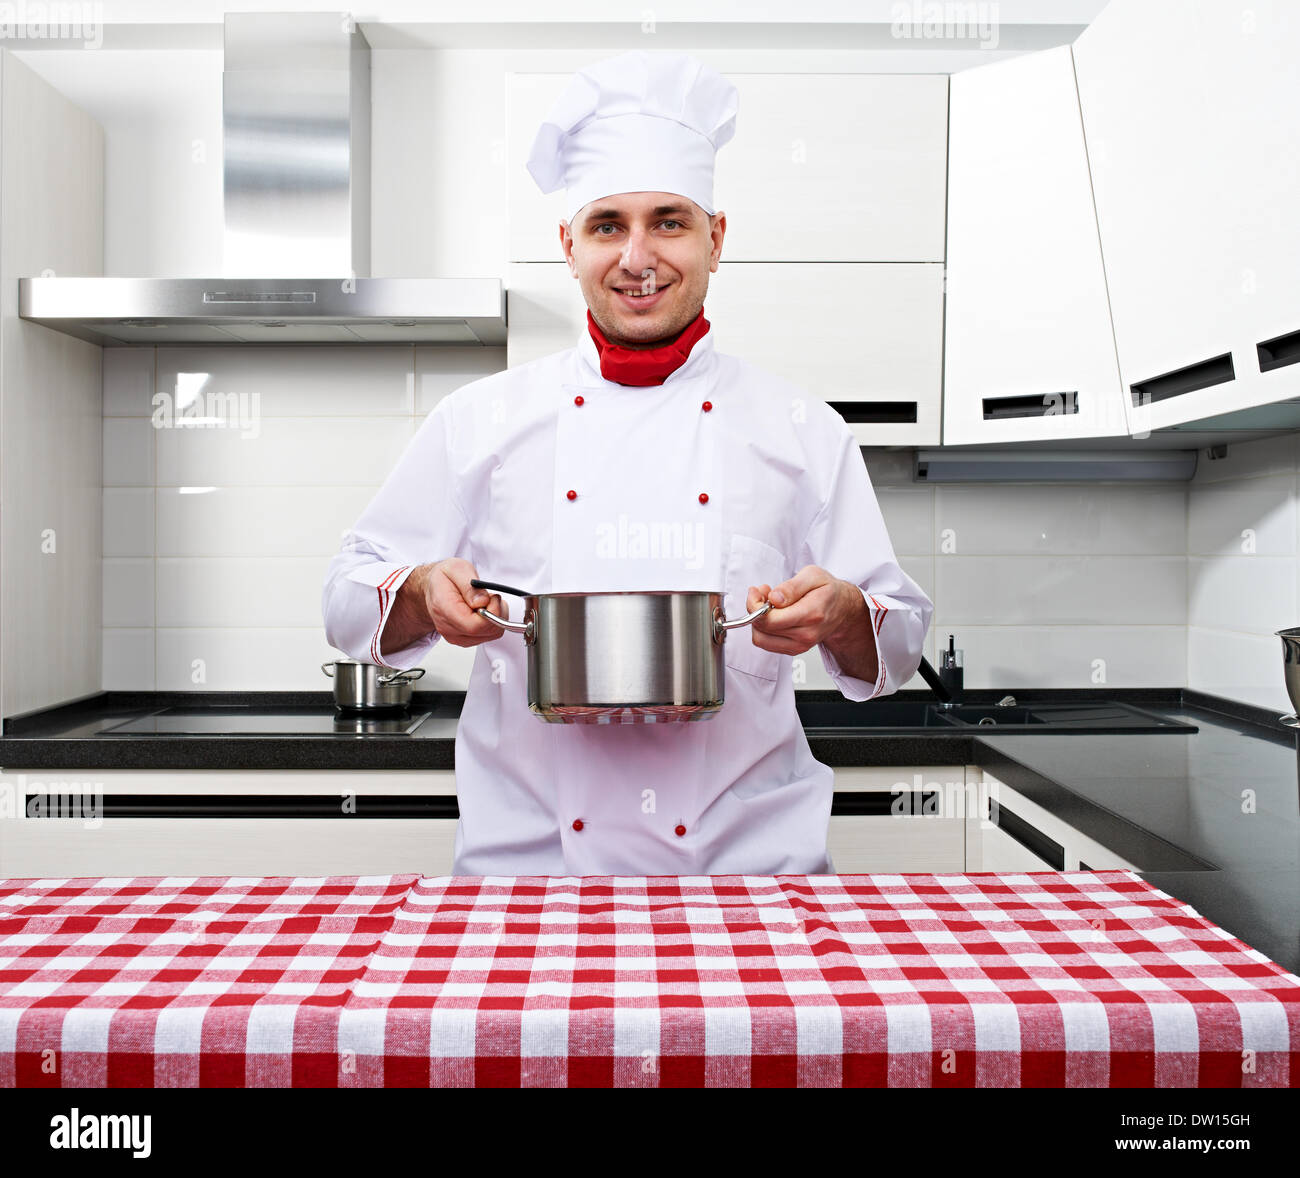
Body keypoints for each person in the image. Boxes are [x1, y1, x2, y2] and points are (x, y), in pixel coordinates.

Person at [321, 49, 934, 876]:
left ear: (717, 239)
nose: (637, 257)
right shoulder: (479, 422)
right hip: (529, 885)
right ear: (568, 245)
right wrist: (422, 595)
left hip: (749, 887)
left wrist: (842, 613)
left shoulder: (803, 430)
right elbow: (345, 604)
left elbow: (897, 647)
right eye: (607, 225)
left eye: (669, 222)